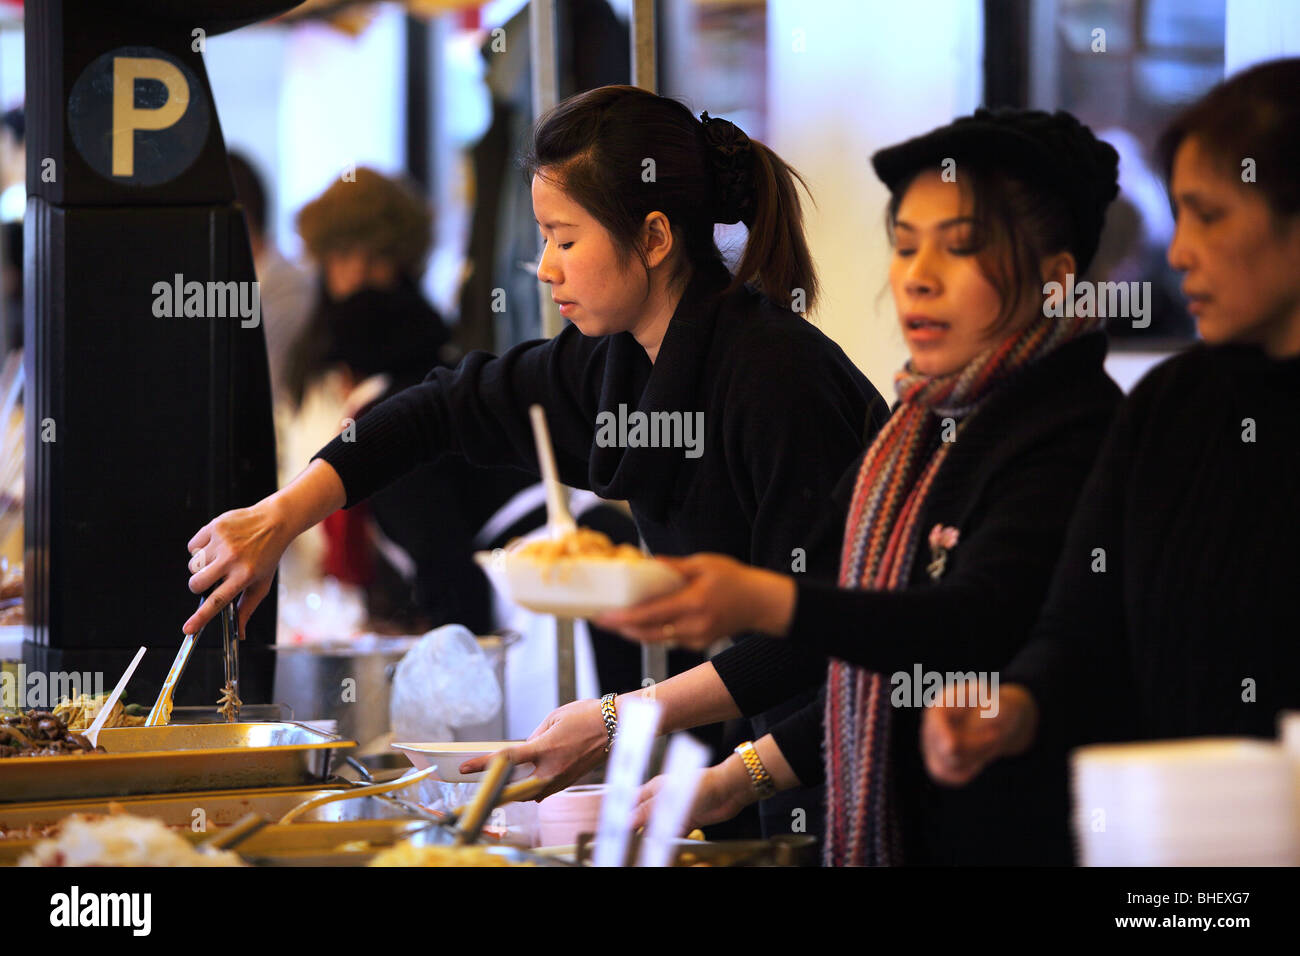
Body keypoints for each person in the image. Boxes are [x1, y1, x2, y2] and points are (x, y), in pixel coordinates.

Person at [182, 86, 888, 820]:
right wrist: (281, 515)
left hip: (855, 753)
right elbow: (439, 409)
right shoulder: (615, 363)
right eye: (542, 237)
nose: (544, 268)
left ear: (653, 237)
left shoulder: (775, 376)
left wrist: (618, 720)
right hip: (766, 740)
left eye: (566, 239)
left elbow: (817, 635)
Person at [528, 108, 1125, 865]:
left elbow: (956, 630)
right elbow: (862, 671)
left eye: (960, 248)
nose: (917, 276)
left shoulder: (1075, 434)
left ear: (1056, 278)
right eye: (905, 246)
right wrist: (731, 782)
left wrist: (755, 600)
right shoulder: (921, 429)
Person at [922, 58, 1300, 794]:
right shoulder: (1170, 404)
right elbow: (1078, 628)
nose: (1182, 249)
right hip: (1176, 850)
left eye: (1211, 214)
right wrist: (1015, 706)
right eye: (1180, 214)